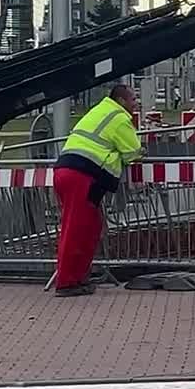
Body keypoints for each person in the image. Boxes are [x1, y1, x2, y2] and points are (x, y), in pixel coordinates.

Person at [52, 83, 143, 297]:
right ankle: (66, 282)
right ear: (121, 101)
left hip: (69, 171)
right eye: (133, 99)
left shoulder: (101, 110)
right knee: (76, 229)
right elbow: (133, 152)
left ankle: (78, 277)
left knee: (90, 226)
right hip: (82, 176)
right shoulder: (119, 118)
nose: (135, 103)